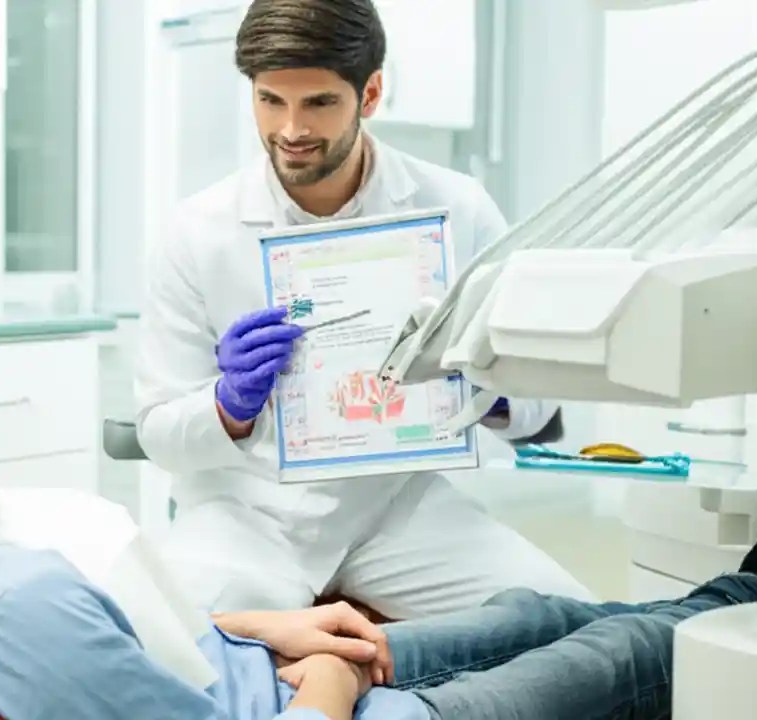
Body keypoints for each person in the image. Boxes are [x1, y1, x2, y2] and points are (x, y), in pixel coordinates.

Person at [0, 240, 757, 720]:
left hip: (247, 663)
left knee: (532, 610)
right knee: (621, 653)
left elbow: (113, 641)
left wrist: (259, 633)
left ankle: (742, 593)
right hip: (330, 710)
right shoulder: (1, 609)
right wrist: (325, 685)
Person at [135, 0, 589, 617]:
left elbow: (541, 404)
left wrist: (476, 378)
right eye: (270, 101)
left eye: (319, 102)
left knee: (566, 618)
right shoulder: (196, 232)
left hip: (394, 508)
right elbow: (159, 432)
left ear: (370, 93)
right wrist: (228, 405)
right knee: (179, 648)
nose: (291, 129)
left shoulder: (456, 209)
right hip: (244, 512)